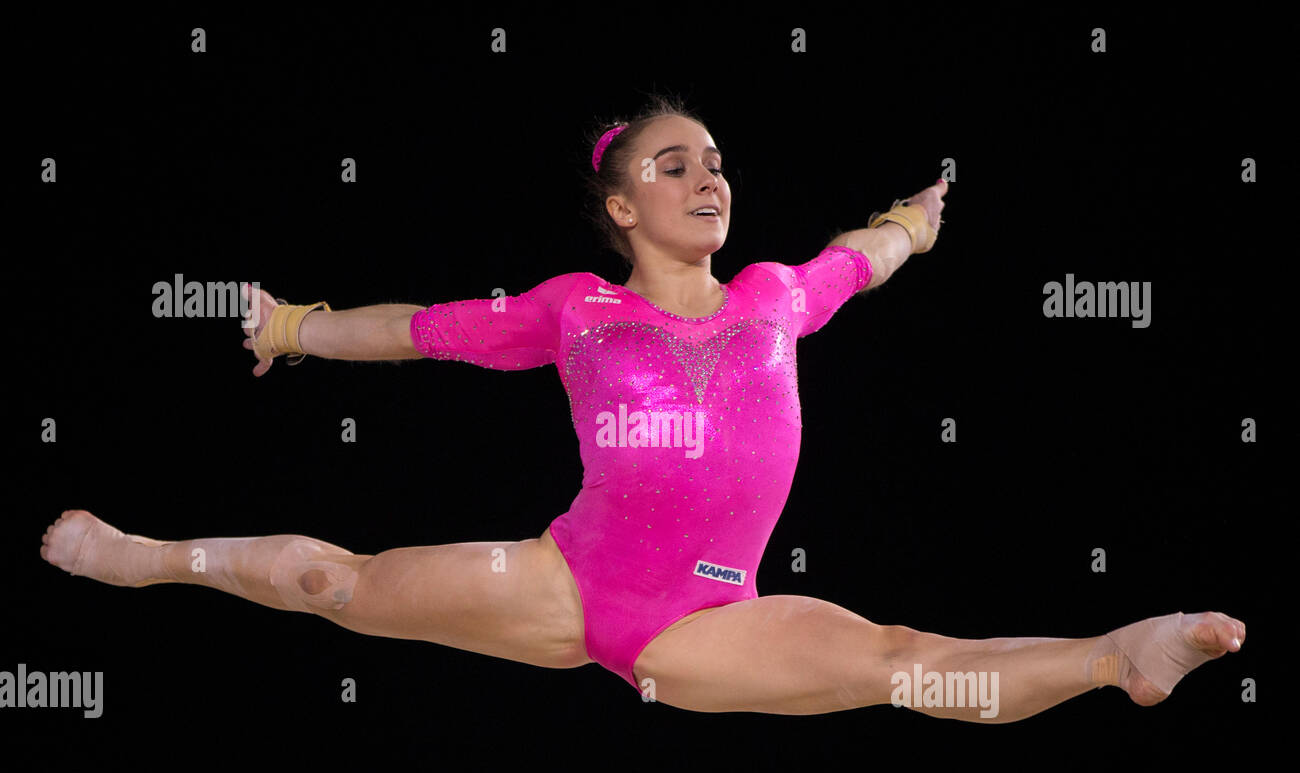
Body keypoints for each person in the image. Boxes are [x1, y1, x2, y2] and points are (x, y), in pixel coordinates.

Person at [41, 96, 1244, 720]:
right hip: (571, 579)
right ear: (620, 207)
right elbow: (417, 333)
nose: (706, 176)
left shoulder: (774, 296)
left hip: (707, 619)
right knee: (337, 586)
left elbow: (857, 258)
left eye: (714, 160)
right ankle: (148, 556)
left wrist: (913, 224)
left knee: (901, 667)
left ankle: (1111, 657)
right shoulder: (572, 308)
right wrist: (297, 326)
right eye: (674, 164)